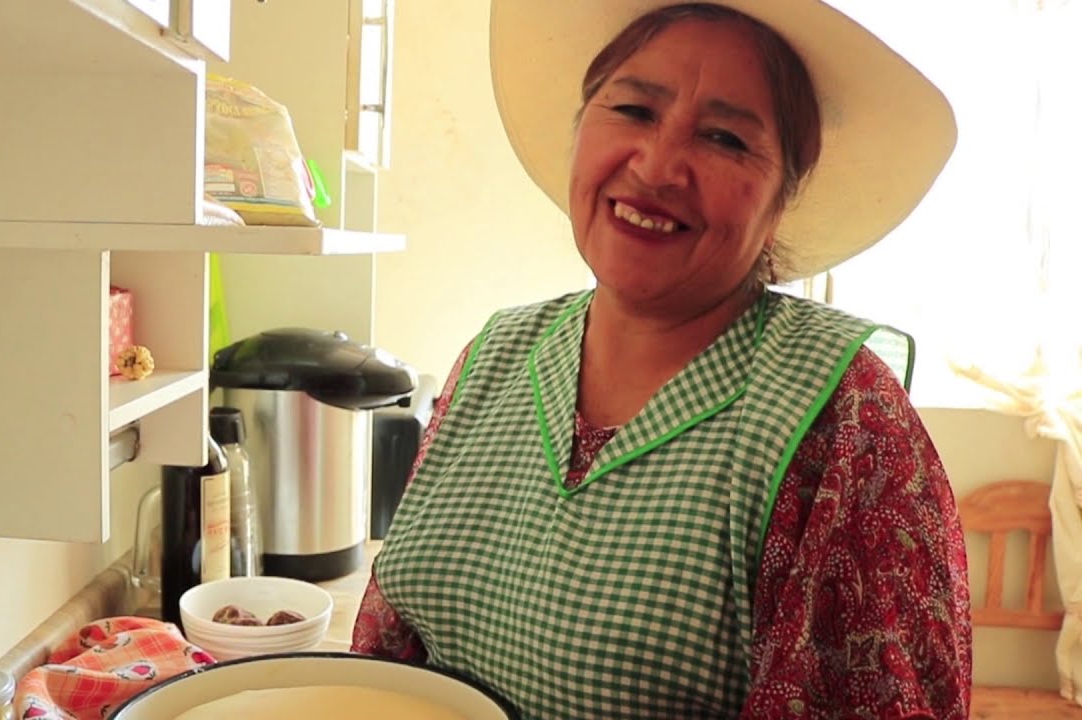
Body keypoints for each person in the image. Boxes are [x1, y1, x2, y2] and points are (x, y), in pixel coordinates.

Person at [352, 1, 971, 717]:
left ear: (783, 197)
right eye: (634, 110)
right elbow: (391, 657)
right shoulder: (497, 355)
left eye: (724, 138)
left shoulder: (843, 418)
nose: (657, 165)